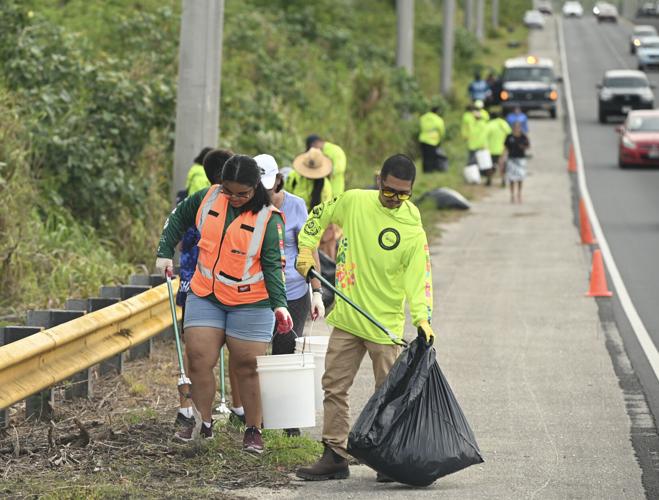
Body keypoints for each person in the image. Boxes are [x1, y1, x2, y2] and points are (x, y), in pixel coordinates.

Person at [294, 154, 435, 482]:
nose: (395, 200)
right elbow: (319, 214)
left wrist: (423, 318)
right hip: (346, 315)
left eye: (403, 194)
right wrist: (306, 248)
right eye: (390, 192)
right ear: (378, 181)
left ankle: (387, 457)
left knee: (389, 393)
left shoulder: (412, 226)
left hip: (384, 325)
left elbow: (419, 278)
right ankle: (334, 454)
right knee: (333, 386)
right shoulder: (355, 201)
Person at [155, 155, 293, 453]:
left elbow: (273, 265)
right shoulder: (208, 197)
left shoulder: (269, 218)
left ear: (256, 187)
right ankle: (204, 423)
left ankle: (253, 429)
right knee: (199, 358)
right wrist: (165, 251)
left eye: (241, 193)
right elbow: (178, 217)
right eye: (228, 190)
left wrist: (280, 305)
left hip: (251, 301)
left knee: (247, 366)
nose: (233, 198)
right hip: (206, 293)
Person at [227, 154, 326, 437]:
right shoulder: (244, 206)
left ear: (278, 182)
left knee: (285, 350)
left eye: (268, 188)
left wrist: (316, 290)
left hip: (293, 291)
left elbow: (307, 248)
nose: (264, 194)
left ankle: (285, 419)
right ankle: (250, 415)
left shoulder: (296, 206)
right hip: (254, 292)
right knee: (251, 353)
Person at [174, 148, 233, 436]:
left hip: (195, 279)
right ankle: (192, 410)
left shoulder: (200, 193)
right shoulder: (208, 199)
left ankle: (191, 411)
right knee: (199, 352)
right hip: (201, 280)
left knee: (194, 351)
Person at [503, 122, 530, 203]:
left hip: (521, 159)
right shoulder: (509, 137)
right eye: (515, 127)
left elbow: (528, 146)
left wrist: (523, 147)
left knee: (520, 178)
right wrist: (503, 158)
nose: (517, 129)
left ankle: (519, 194)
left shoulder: (523, 137)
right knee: (511, 178)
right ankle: (512, 195)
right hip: (511, 159)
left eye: (518, 127)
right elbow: (506, 147)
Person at [485, 112, 512, 187]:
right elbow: (509, 134)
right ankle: (503, 180)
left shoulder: (490, 124)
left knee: (489, 166)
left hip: (491, 149)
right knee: (502, 166)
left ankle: (489, 180)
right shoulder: (504, 124)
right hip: (502, 149)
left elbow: (485, 136)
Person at [418, 106, 446, 173]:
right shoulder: (438, 119)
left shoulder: (423, 117)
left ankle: (425, 170)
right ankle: (430, 171)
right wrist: (441, 138)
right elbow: (441, 130)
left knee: (425, 156)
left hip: (423, 139)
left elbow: (420, 126)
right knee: (431, 157)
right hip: (432, 141)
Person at [466, 100, 490, 167]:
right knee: (472, 160)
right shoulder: (470, 115)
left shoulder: (484, 115)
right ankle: (473, 173)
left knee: (482, 160)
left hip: (481, 142)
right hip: (473, 141)